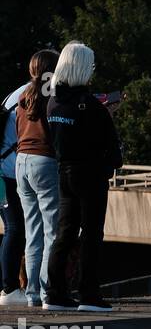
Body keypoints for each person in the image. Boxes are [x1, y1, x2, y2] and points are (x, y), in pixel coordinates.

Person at [43, 42, 123, 312]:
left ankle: (54, 293)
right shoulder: (91, 106)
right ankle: (89, 293)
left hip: (64, 171)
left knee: (64, 233)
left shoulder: (53, 102)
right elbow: (113, 152)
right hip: (91, 175)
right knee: (91, 234)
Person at [3, 51, 59, 307]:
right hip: (36, 165)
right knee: (47, 230)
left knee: (30, 231)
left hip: (17, 167)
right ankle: (45, 292)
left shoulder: (20, 94)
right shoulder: (49, 94)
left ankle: (30, 292)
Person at [1, 76, 28, 304]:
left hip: (6, 173)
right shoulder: (33, 94)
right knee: (15, 228)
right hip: (6, 174)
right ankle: (9, 290)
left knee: (15, 228)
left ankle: (11, 288)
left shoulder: (17, 92)